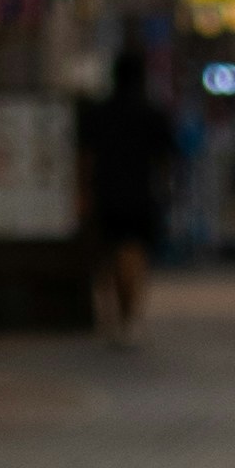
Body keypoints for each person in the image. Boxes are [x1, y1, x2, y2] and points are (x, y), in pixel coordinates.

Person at [81, 55, 173, 350]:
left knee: (107, 257)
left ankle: (114, 314)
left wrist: (83, 192)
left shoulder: (99, 112)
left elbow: (86, 156)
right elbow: (167, 158)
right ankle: (129, 314)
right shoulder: (151, 113)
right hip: (140, 194)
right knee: (133, 254)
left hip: (105, 193)